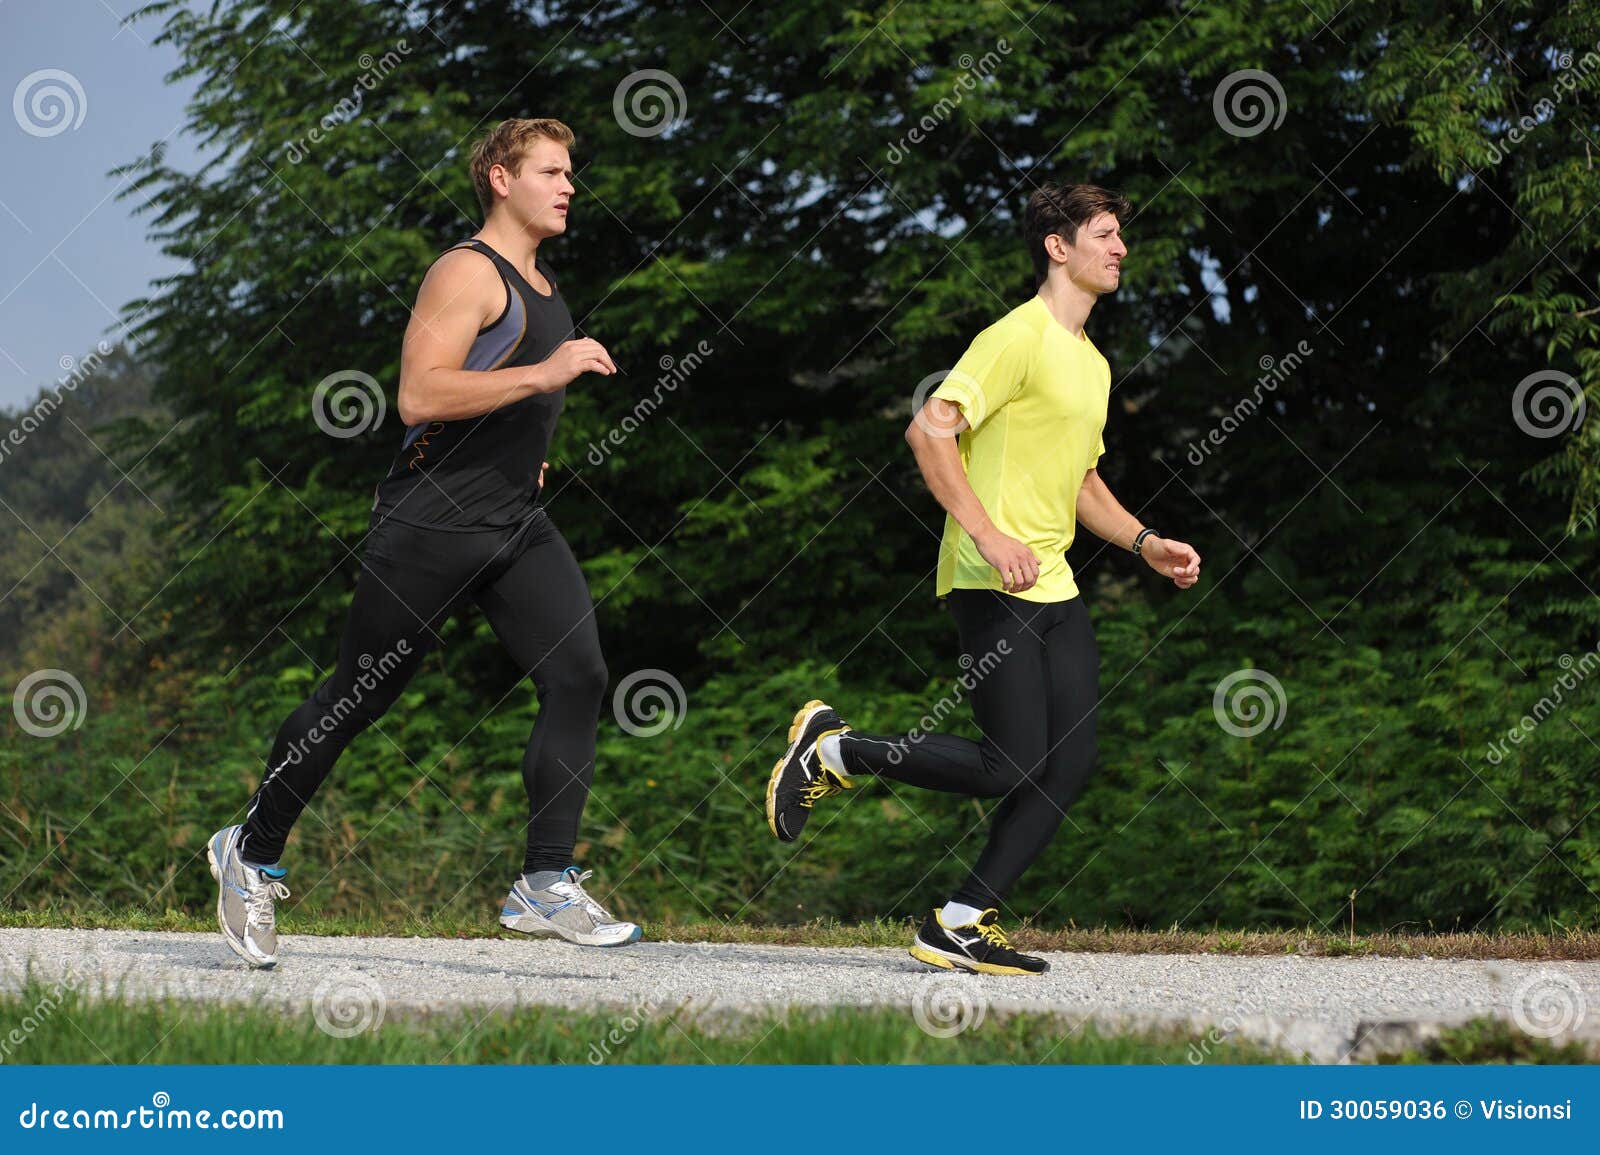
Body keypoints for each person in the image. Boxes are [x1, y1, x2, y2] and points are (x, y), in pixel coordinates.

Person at [207, 117, 640, 968]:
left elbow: (499, 402)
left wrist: (529, 451)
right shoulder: (466, 271)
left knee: (580, 675)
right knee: (355, 698)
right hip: (431, 523)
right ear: (500, 179)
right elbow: (419, 393)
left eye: (570, 173)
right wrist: (544, 374)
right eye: (551, 171)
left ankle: (543, 880)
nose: (569, 186)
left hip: (514, 521)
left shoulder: (543, 286)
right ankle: (250, 852)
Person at [766, 182, 1202, 975]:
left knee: (1069, 762)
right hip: (989, 576)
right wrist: (989, 533)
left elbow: (1081, 481)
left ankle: (961, 920)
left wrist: (1144, 542)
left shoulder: (1092, 362)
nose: (1121, 248)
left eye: (1120, 235)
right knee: (1011, 763)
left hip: (1053, 582)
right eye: (1105, 233)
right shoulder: (1016, 336)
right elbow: (928, 431)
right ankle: (836, 751)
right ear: (1058, 246)